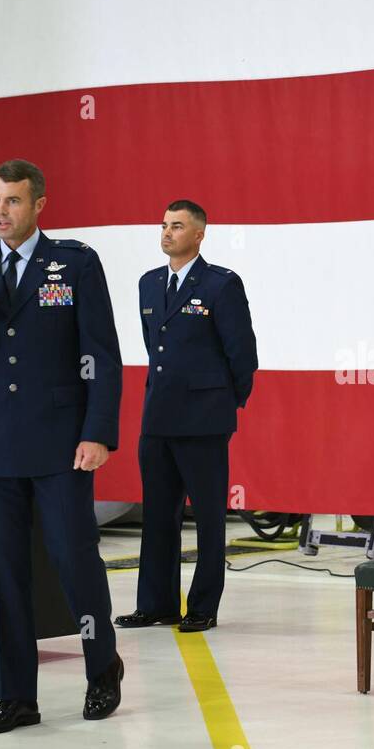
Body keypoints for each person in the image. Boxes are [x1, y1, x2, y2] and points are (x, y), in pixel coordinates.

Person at [0, 159, 124, 735]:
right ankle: (15, 695)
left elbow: (102, 354)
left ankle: (101, 668)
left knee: (74, 558)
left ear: (39, 203)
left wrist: (98, 432)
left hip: (61, 441)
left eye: (12, 201)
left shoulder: (76, 263)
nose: (0, 212)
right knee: (3, 571)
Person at [115, 200, 258, 633]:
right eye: (163, 225)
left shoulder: (220, 285)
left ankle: (202, 606)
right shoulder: (149, 283)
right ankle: (156, 603)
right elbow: (155, 349)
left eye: (176, 226)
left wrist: (222, 406)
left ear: (198, 235)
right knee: (158, 514)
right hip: (158, 416)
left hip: (204, 421)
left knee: (210, 518)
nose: (166, 233)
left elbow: (242, 355)